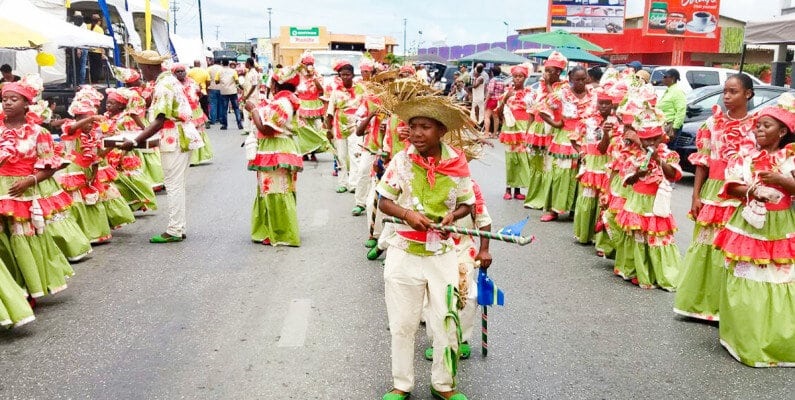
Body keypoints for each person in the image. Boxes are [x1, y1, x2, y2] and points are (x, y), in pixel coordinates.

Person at [377, 95, 475, 400]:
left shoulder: (457, 163)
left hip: (442, 256)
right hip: (404, 252)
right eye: (413, 126)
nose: (417, 133)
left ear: (441, 131)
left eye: (425, 127)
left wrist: (453, 216)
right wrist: (408, 214)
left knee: (446, 321)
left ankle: (444, 385)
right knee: (403, 323)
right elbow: (383, 201)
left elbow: (467, 204)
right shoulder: (401, 161)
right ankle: (401, 384)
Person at [712, 94, 795, 367]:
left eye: (767, 126)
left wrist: (782, 180)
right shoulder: (745, 155)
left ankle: (774, 339)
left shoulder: (791, 157)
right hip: (747, 223)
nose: (759, 129)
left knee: (777, 279)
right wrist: (754, 190)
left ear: (782, 131)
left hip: (780, 224)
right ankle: (743, 337)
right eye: (758, 125)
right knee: (744, 275)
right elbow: (731, 186)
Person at [674, 74, 756, 321]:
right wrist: (695, 195)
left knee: (734, 250)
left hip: (741, 193)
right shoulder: (712, 124)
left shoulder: (758, 125)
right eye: (725, 91)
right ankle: (698, 304)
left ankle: (728, 309)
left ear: (748, 94)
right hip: (713, 192)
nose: (727, 97)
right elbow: (703, 163)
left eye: (734, 92)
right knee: (705, 247)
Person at [0, 75, 78, 300]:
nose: (7, 103)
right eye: (4, 99)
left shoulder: (38, 133)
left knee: (23, 238)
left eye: (13, 99)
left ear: (26, 104)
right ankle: (10, 292)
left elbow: (50, 167)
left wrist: (29, 181)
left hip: (23, 192)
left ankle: (29, 290)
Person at [120, 50, 204, 243]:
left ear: (149, 68)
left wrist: (134, 141)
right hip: (179, 135)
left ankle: (174, 230)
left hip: (174, 137)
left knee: (174, 186)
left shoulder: (164, 85)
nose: (142, 73)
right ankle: (178, 226)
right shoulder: (168, 81)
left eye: (142, 69)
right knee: (178, 185)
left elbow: (159, 120)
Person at [422, 180, 492, 364]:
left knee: (465, 293)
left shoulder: (471, 186)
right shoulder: (429, 182)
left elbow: (484, 221)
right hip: (433, 246)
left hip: (462, 247)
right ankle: (437, 339)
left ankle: (462, 338)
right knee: (434, 295)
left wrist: (484, 250)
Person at [615, 103, 683, 291]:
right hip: (638, 200)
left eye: (654, 139)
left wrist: (658, 160)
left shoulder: (668, 154)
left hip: (656, 202)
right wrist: (638, 172)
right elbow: (627, 180)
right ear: (640, 139)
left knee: (658, 236)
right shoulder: (633, 155)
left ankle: (663, 273)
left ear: (662, 136)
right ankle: (638, 271)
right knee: (638, 235)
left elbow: (673, 175)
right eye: (646, 140)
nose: (650, 144)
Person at [59, 86, 135, 243]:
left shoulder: (93, 134)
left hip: (88, 170)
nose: (88, 125)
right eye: (84, 120)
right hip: (73, 170)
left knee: (93, 201)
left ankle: (95, 231)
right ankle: (80, 232)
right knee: (77, 202)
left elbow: (97, 156)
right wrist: (90, 118)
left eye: (90, 121)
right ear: (77, 119)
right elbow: (72, 127)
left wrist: (112, 145)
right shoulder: (70, 129)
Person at [243, 66, 303, 246]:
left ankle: (280, 232)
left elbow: (267, 128)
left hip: (276, 149)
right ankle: (273, 228)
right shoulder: (286, 101)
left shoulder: (282, 103)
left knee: (276, 190)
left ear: (276, 84)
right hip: (277, 148)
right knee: (274, 190)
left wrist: (253, 109)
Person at [570, 88, 616, 245]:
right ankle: (584, 234)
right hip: (591, 166)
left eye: (607, 104)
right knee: (587, 200)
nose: (603, 106)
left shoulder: (616, 124)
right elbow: (573, 139)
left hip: (606, 167)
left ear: (613, 105)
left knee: (602, 202)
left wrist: (606, 134)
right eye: (601, 103)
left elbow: (604, 149)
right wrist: (582, 153)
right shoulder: (588, 122)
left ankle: (600, 240)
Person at [524, 52, 569, 211]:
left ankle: (546, 199)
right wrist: (528, 130)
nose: (547, 74)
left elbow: (557, 102)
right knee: (536, 164)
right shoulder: (539, 86)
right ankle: (534, 196)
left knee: (548, 164)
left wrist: (549, 85)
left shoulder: (564, 87)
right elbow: (532, 110)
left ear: (559, 72)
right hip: (537, 128)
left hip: (553, 128)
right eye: (546, 70)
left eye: (551, 71)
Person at [102, 87, 158, 212]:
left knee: (129, 177)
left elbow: (132, 136)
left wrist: (123, 152)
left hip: (124, 152)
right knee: (115, 180)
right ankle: (125, 203)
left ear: (121, 106)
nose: (108, 106)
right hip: (110, 151)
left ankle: (140, 199)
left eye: (112, 103)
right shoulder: (106, 117)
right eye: (107, 103)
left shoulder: (126, 118)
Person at [325, 60, 365, 193]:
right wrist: (328, 130)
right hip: (339, 127)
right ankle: (343, 183)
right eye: (343, 75)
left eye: (348, 74)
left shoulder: (360, 90)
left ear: (353, 75)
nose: (345, 77)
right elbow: (330, 112)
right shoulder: (336, 92)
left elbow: (366, 108)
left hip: (355, 127)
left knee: (355, 155)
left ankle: (353, 184)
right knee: (341, 156)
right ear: (339, 76)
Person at [497, 64, 533, 200]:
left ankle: (517, 189)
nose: (518, 79)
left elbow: (532, 112)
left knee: (522, 158)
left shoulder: (529, 94)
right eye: (515, 76)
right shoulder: (506, 92)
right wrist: (506, 99)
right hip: (510, 128)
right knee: (510, 159)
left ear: (525, 78)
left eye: (521, 76)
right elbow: (498, 114)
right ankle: (508, 188)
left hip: (523, 128)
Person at [172, 64, 213, 166]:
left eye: (182, 71)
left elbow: (199, 93)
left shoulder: (192, 82)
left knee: (198, 133)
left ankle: (196, 158)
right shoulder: (173, 84)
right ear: (174, 73)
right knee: (186, 133)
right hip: (182, 111)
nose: (181, 73)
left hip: (195, 110)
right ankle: (188, 159)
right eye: (178, 71)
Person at [294, 51, 327, 161]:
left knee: (316, 129)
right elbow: (294, 91)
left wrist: (314, 78)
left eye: (310, 63)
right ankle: (304, 152)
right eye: (306, 63)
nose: (309, 66)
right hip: (302, 105)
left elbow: (322, 90)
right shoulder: (298, 76)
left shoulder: (317, 75)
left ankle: (313, 152)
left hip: (315, 106)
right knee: (304, 130)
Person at [658, 68, 687, 138]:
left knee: (669, 148)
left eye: (665, 77)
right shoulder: (669, 90)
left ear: (673, 78)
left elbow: (681, 111)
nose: (663, 79)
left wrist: (674, 129)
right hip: (664, 124)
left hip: (671, 126)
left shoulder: (677, 92)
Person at [218, 60, 242, 130]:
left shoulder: (220, 72)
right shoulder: (233, 71)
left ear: (222, 64)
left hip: (224, 92)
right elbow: (237, 81)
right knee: (236, 108)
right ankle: (239, 124)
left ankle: (224, 125)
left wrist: (222, 81)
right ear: (228, 64)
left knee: (224, 109)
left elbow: (216, 81)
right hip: (233, 91)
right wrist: (240, 87)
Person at [187, 60, 211, 128]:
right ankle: (207, 121)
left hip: (193, 93)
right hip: (203, 92)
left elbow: (186, 80)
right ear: (199, 64)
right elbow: (208, 82)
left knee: (194, 108)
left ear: (194, 64)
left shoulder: (190, 71)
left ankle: (194, 122)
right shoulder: (205, 71)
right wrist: (206, 90)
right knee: (205, 107)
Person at [241, 58, 261, 136]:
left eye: (245, 63)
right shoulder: (248, 72)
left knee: (252, 112)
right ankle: (247, 129)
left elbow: (254, 85)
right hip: (247, 95)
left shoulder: (254, 73)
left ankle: (252, 129)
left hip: (252, 96)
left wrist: (248, 95)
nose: (245, 64)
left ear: (248, 63)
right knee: (245, 111)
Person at [483, 66, 505, 137]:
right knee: (496, 117)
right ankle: (494, 133)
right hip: (499, 100)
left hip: (492, 99)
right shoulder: (502, 80)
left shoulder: (493, 80)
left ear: (492, 72)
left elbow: (490, 92)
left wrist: (486, 101)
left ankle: (486, 133)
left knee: (487, 116)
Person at [86, 14, 107, 83]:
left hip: (88, 50)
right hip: (97, 51)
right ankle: (95, 81)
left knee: (91, 66)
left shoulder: (86, 26)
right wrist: (103, 52)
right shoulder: (99, 29)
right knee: (97, 67)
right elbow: (101, 42)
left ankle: (91, 80)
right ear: (99, 21)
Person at [207, 59, 223, 125]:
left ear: (214, 62)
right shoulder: (223, 69)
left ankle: (213, 120)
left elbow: (207, 78)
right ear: (220, 62)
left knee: (213, 104)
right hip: (222, 88)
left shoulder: (209, 69)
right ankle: (220, 119)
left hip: (212, 88)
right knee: (221, 104)